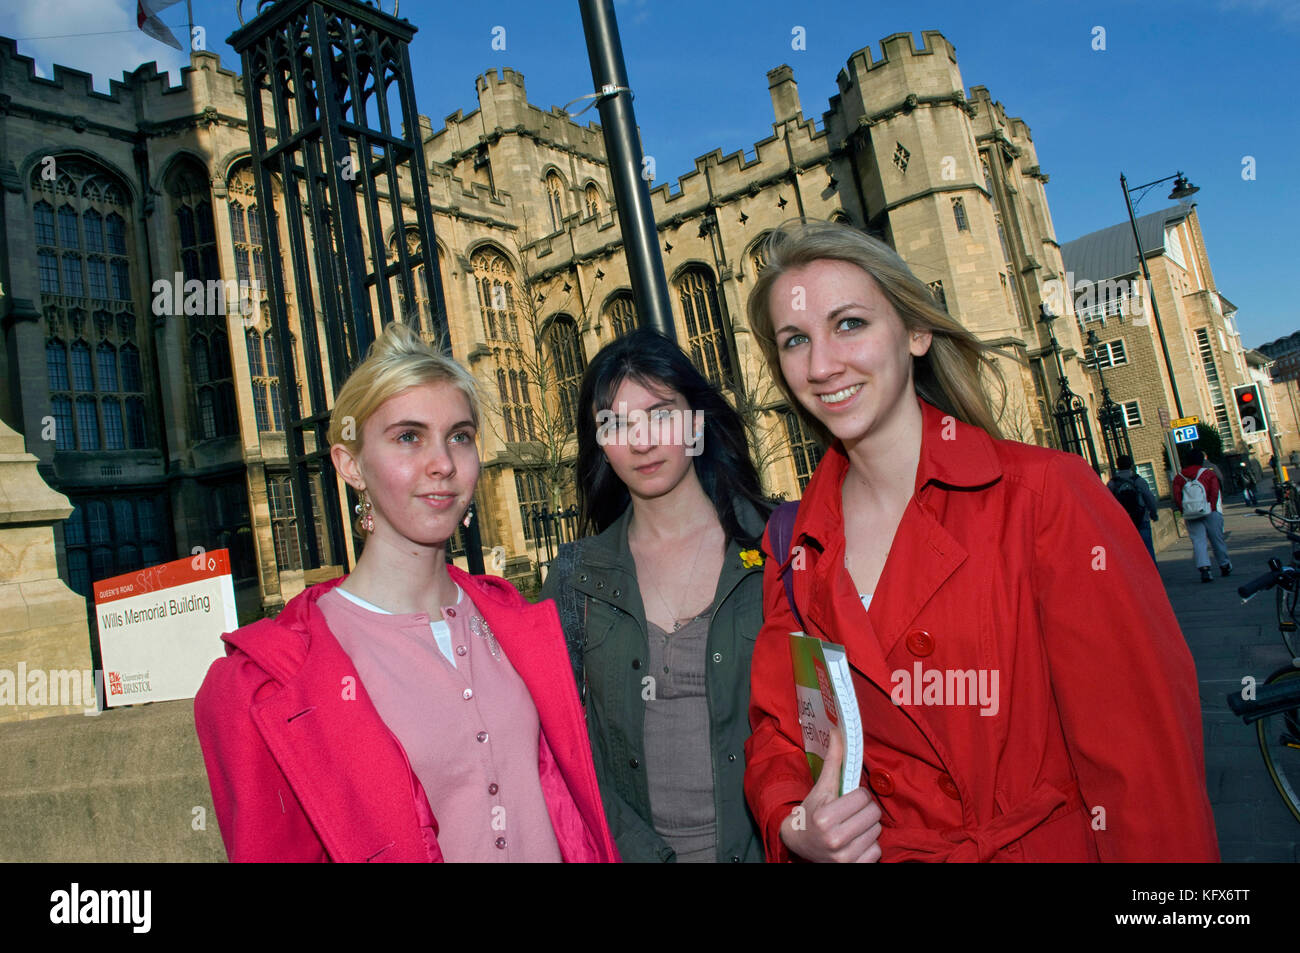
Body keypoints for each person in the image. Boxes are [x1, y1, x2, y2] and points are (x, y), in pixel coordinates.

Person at [741, 219, 1218, 862]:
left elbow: (1145, 768)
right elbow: (782, 730)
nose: (822, 364)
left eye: (849, 323)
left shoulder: (1044, 496)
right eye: (795, 339)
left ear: (916, 332)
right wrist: (796, 824)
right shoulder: (793, 543)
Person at [194, 321, 617, 862]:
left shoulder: (516, 620)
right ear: (350, 465)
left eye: (459, 436)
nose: (442, 463)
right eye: (408, 437)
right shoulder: (270, 680)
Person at [538, 329, 772, 862]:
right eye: (616, 423)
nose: (640, 442)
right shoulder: (576, 577)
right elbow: (558, 747)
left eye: (660, 413)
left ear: (696, 422)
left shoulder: (777, 549)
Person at [1172, 447, 1232, 584]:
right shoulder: (1208, 474)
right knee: (1217, 539)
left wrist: (1184, 510)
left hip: (1190, 513)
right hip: (1210, 511)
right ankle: (1224, 565)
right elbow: (1215, 492)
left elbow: (1177, 496)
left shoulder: (1179, 477)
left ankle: (1205, 569)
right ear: (1201, 459)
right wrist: (1211, 508)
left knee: (1198, 541)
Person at [1107, 454, 1160, 561]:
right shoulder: (1138, 481)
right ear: (1131, 465)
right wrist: (1153, 514)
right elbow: (1149, 498)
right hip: (1141, 518)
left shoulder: (1112, 483)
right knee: (1148, 550)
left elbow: (1107, 503)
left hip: (1123, 521)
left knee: (1129, 554)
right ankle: (1152, 574)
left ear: (1117, 466)